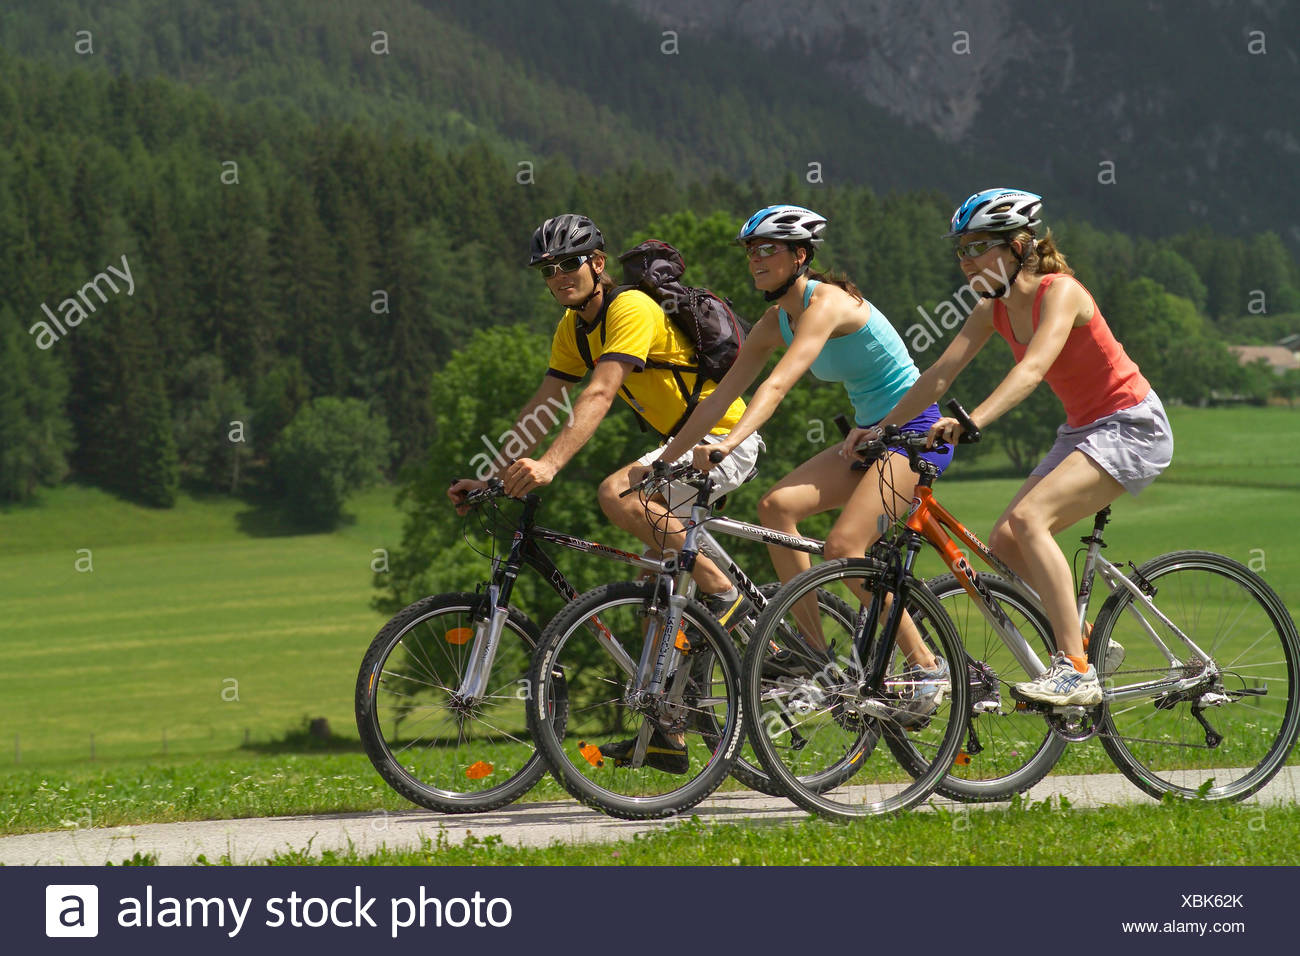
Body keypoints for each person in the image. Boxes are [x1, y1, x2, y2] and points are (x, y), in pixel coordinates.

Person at [640, 204, 955, 723]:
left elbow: (779, 383)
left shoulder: (827, 304)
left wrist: (730, 443)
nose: (756, 260)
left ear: (800, 255)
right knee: (776, 507)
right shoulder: (774, 321)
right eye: (750, 252)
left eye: (768, 250)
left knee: (844, 548)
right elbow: (718, 401)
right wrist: (666, 460)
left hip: (915, 433)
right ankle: (813, 655)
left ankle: (926, 666)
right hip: (868, 438)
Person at [862, 188, 1173, 706]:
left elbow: (1031, 369)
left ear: (1020, 244)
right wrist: (877, 429)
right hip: (1083, 430)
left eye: (978, 246)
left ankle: (1076, 669)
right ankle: (1090, 638)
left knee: (1030, 521)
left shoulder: (1062, 291)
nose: (966, 261)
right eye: (960, 250)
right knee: (1004, 541)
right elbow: (939, 375)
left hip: (1130, 425)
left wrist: (972, 419)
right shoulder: (993, 309)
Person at [448, 213, 765, 627]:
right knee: (656, 594)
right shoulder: (573, 328)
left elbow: (601, 391)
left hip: (723, 440)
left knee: (617, 493)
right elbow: (541, 408)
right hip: (680, 448)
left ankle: (727, 598)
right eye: (548, 270)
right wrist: (493, 476)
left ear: (597, 263)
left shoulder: (630, 307)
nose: (558, 276)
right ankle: (722, 667)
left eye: (569, 263)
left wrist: (548, 465)